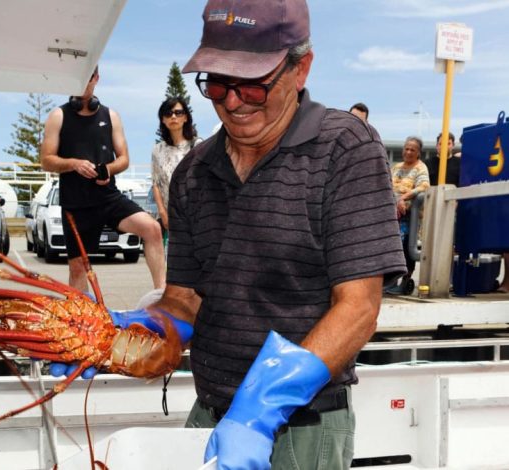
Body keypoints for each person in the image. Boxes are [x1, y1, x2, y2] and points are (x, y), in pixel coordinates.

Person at [152, 1, 403, 468]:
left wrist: (261, 408)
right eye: (217, 83)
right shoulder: (192, 170)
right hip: (210, 416)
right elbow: (185, 299)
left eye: (251, 83)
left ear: (300, 68)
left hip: (302, 426)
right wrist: (142, 331)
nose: (231, 101)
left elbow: (359, 307)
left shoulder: (345, 149)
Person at [40, 67, 165, 292]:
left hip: (108, 198)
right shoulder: (58, 116)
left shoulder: (111, 116)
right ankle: (81, 321)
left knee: (153, 229)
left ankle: (162, 297)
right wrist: (73, 164)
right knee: (78, 267)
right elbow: (46, 160)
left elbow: (124, 159)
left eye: (88, 77)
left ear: (96, 78)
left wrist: (108, 169)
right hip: (75, 205)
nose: (83, 83)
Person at [151, 97, 200, 249]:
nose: (173, 117)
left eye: (178, 113)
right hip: (170, 217)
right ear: (163, 120)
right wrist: (162, 213)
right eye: (168, 113)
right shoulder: (157, 150)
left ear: (185, 117)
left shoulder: (198, 145)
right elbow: (156, 183)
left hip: (195, 215)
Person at [386, 137, 430, 295]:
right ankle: (390, 280)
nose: (408, 152)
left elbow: (424, 186)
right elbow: (386, 185)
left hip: (409, 215)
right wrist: (395, 200)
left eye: (412, 149)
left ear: (418, 153)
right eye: (406, 148)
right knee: (390, 247)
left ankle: (405, 281)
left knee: (405, 248)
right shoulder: (396, 167)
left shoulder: (420, 168)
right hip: (392, 213)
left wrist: (403, 198)